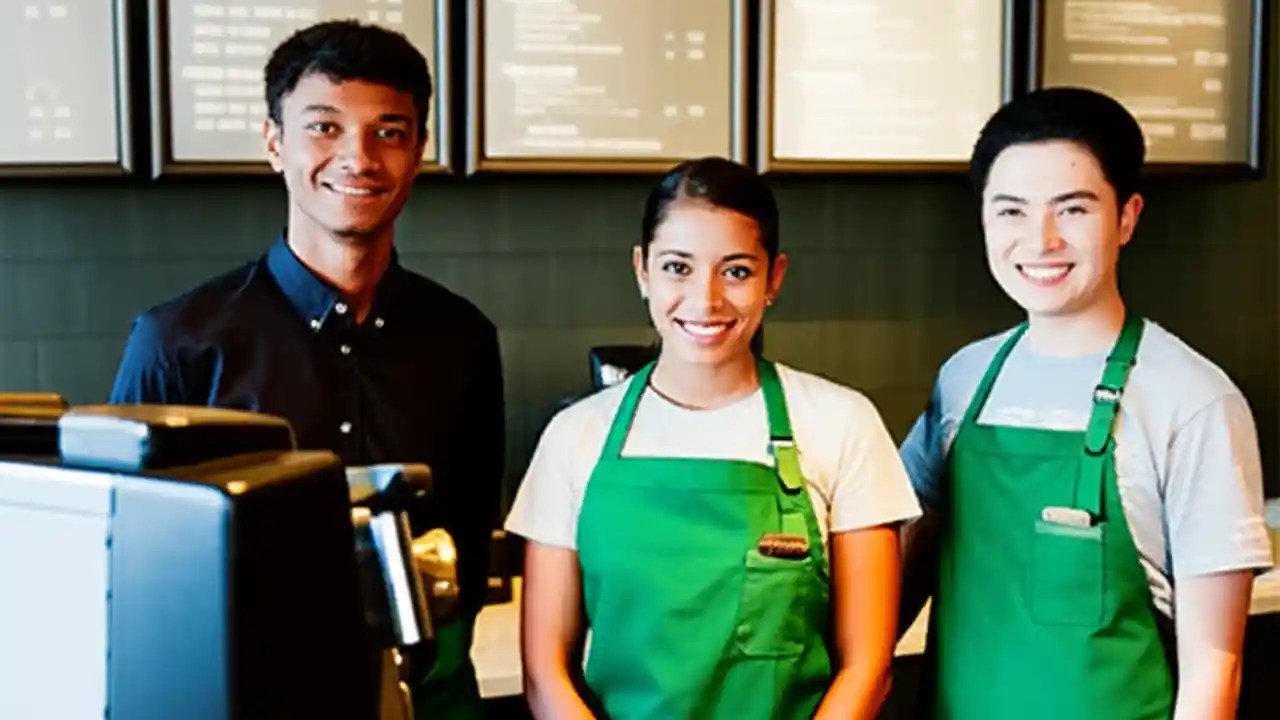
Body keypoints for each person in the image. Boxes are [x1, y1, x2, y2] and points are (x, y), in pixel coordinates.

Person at [107, 20, 504, 720]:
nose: (358, 157)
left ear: (418, 153)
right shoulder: (177, 341)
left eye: (389, 131)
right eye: (324, 127)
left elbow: (469, 555)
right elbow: (124, 574)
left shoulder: (463, 338)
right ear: (274, 144)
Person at [898, 87, 1275, 719]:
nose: (1039, 240)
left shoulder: (1193, 400)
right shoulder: (964, 380)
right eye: (1011, 211)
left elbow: (1217, 669)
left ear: (1127, 217)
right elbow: (898, 572)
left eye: (1072, 210)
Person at [504, 156, 922, 719]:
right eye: (678, 267)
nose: (706, 300)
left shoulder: (841, 423)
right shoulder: (574, 437)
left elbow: (867, 668)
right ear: (642, 271)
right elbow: (545, 672)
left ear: (774, 278)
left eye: (736, 271)